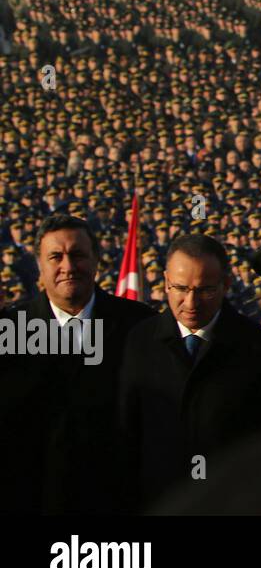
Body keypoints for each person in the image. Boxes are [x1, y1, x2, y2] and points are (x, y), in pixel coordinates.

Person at [0, 214, 153, 514]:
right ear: (39, 265)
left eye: (78, 255)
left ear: (97, 260)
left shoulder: (142, 327)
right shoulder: (9, 331)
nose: (68, 267)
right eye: (55, 257)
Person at [118, 233, 261, 511]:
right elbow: (126, 434)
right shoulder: (139, 342)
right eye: (181, 288)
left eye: (205, 290)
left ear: (226, 284)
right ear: (166, 282)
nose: (191, 303)